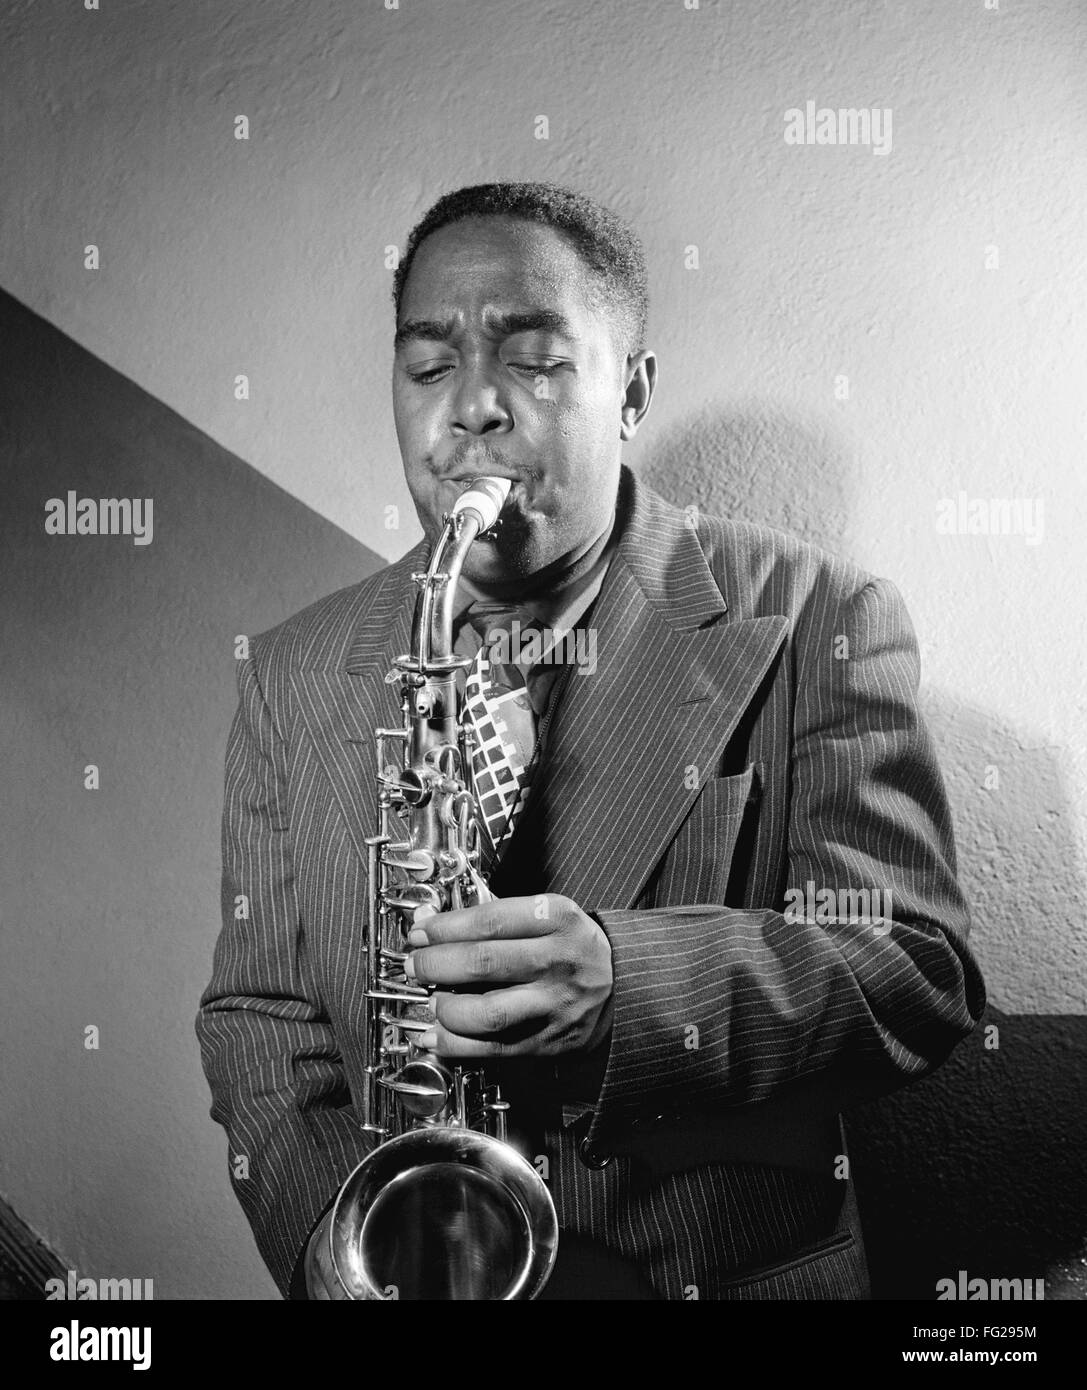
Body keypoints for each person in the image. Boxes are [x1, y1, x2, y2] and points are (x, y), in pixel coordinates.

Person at [196, 181, 986, 1301]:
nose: (469, 407)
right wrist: (336, 1241)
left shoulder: (824, 617)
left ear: (631, 392)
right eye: (426, 367)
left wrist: (627, 987)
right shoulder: (289, 671)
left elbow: (918, 971)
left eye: (530, 359)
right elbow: (258, 1016)